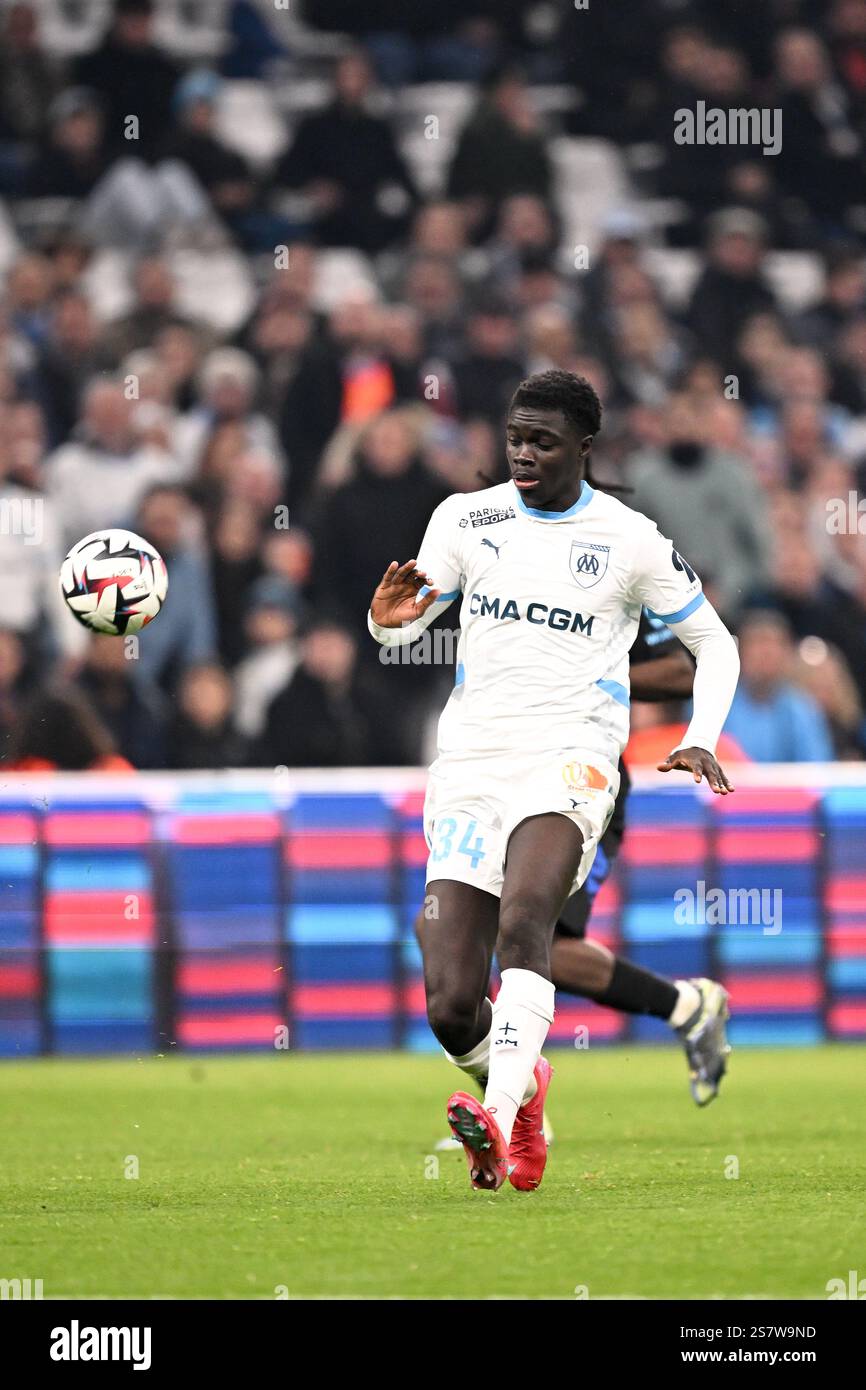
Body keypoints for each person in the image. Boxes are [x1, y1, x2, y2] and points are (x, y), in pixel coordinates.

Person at [368, 369, 739, 1193]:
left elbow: (716, 644)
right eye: (514, 438)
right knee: (451, 1004)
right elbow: (406, 626)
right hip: (470, 766)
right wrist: (384, 624)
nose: (523, 453)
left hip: (571, 760)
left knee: (530, 927)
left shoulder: (631, 539)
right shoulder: (463, 519)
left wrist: (701, 736)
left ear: (584, 447)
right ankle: (525, 1090)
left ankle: (495, 1124)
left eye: (541, 440)